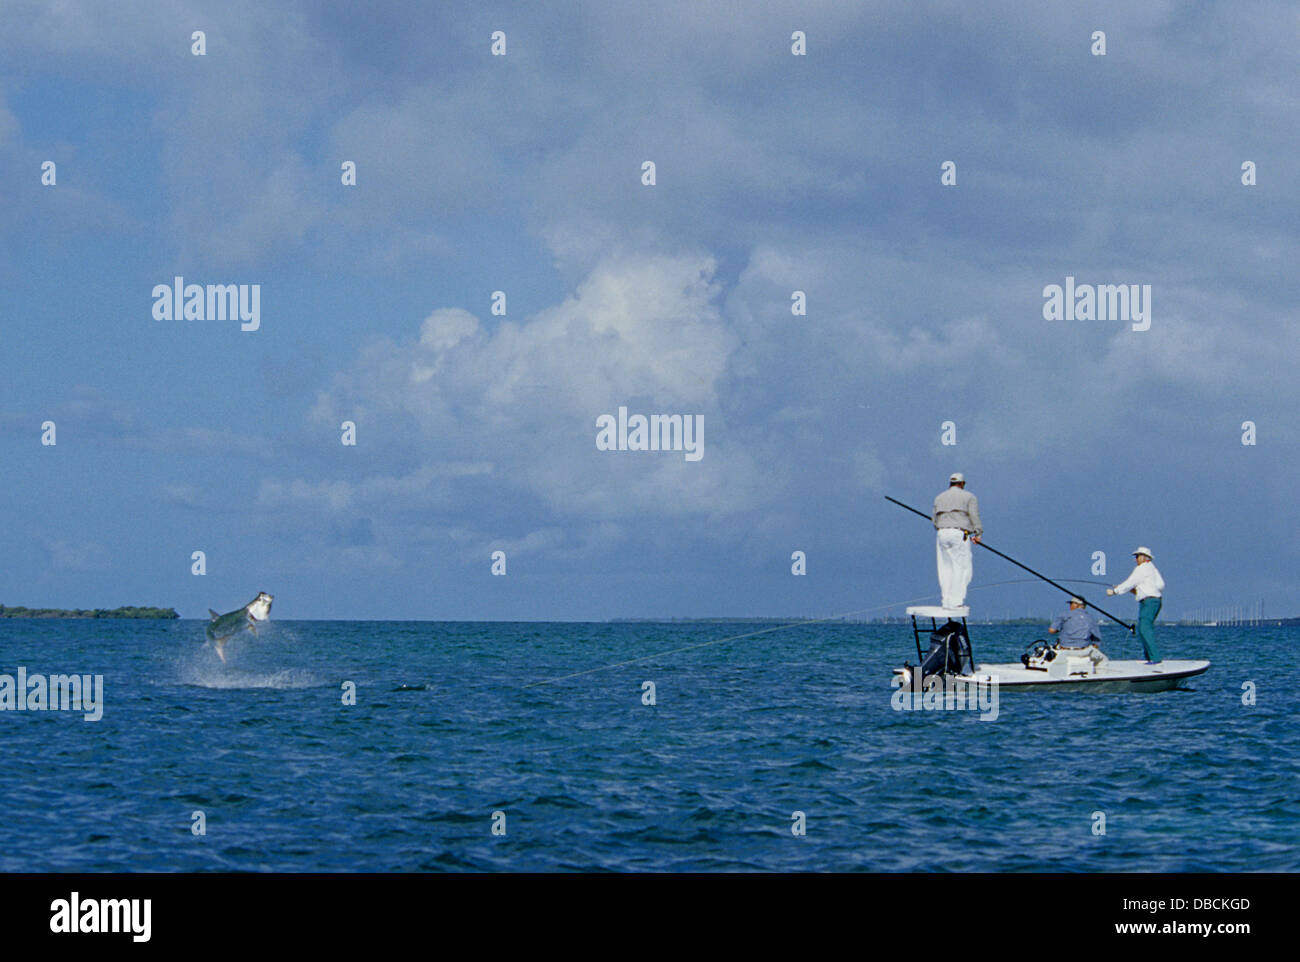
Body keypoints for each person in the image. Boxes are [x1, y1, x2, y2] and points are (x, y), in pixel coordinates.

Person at [932, 472, 982, 609]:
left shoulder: (939, 497)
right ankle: (956, 601)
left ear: (950, 483)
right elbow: (974, 516)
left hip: (941, 534)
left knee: (945, 568)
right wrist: (977, 533)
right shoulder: (969, 497)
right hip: (958, 533)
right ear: (962, 484)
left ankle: (946, 601)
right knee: (962, 568)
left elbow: (934, 521)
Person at [1107, 547, 1165, 663]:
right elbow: (1160, 585)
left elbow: (1130, 582)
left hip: (1148, 602)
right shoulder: (1153, 569)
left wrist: (1115, 591)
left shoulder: (1142, 568)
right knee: (1144, 628)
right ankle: (1150, 657)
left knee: (1144, 629)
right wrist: (1128, 589)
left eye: (1137, 556)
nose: (1135, 559)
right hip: (1155, 601)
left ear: (1144, 557)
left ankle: (1155, 658)